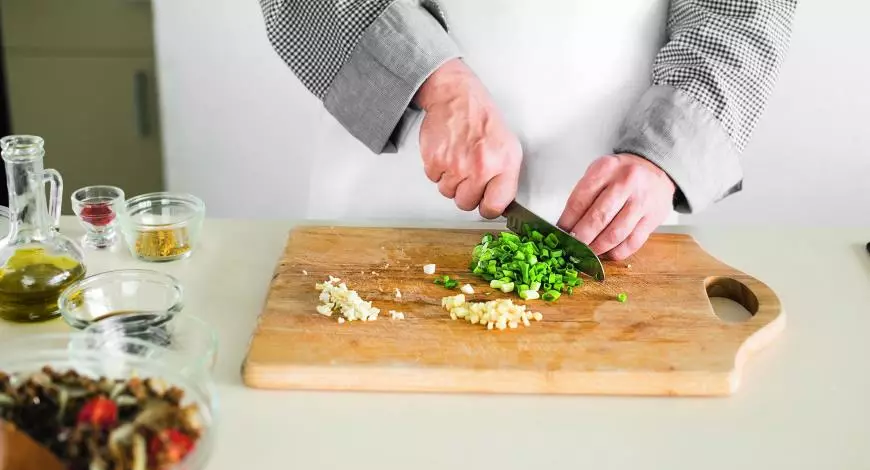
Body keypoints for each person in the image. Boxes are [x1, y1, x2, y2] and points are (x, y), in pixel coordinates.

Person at [257, 0, 797, 260]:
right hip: (389, 186)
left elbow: (742, 9)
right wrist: (434, 82)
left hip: (623, 216)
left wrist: (667, 151)